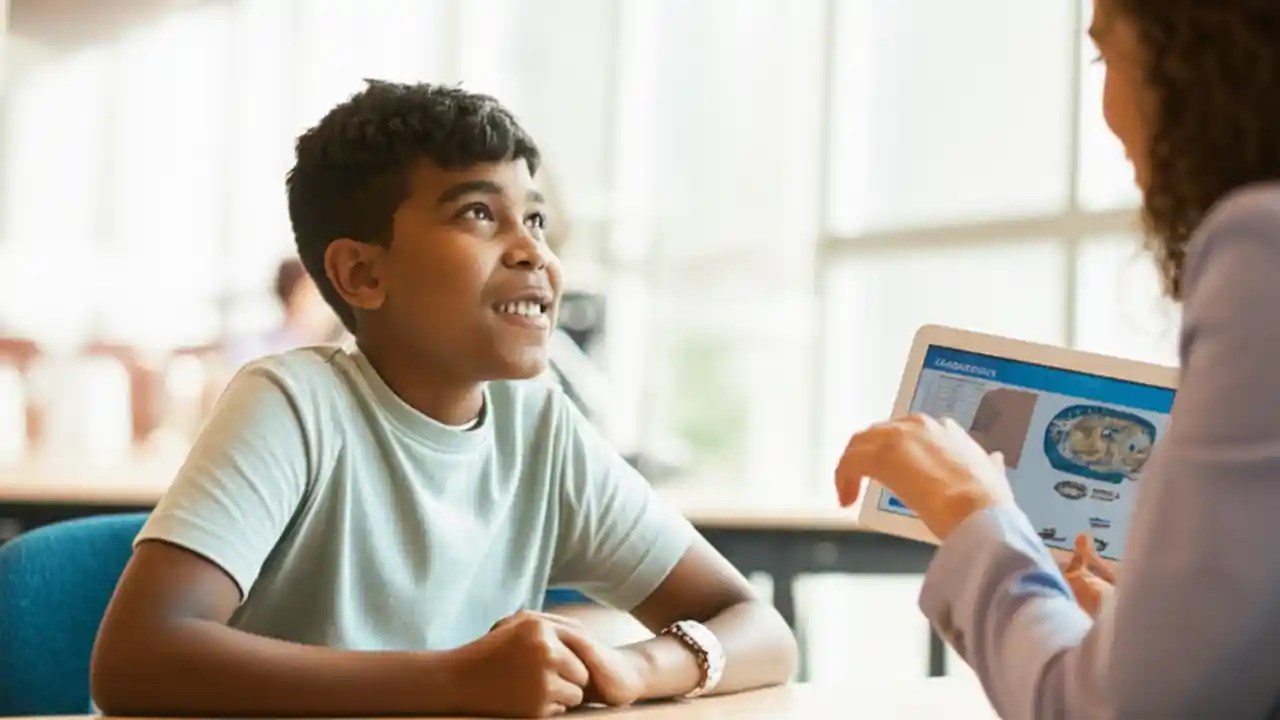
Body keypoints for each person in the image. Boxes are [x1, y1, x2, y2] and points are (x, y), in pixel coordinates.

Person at [90, 81, 797, 718]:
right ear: (362, 273)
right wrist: (457, 681)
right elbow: (137, 660)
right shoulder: (294, 405)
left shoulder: (539, 427)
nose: (533, 252)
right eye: (479, 214)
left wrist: (636, 668)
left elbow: (758, 628)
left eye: (535, 220)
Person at [834, 0, 1280, 716]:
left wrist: (974, 510)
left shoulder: (1262, 248)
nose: (1107, 113)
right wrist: (1160, 636)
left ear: (1201, 60)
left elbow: (1104, 712)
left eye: (1108, 56)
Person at [222, 258, 344, 369]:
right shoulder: (259, 352)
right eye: (315, 296)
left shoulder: (334, 349)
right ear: (296, 297)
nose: (326, 307)